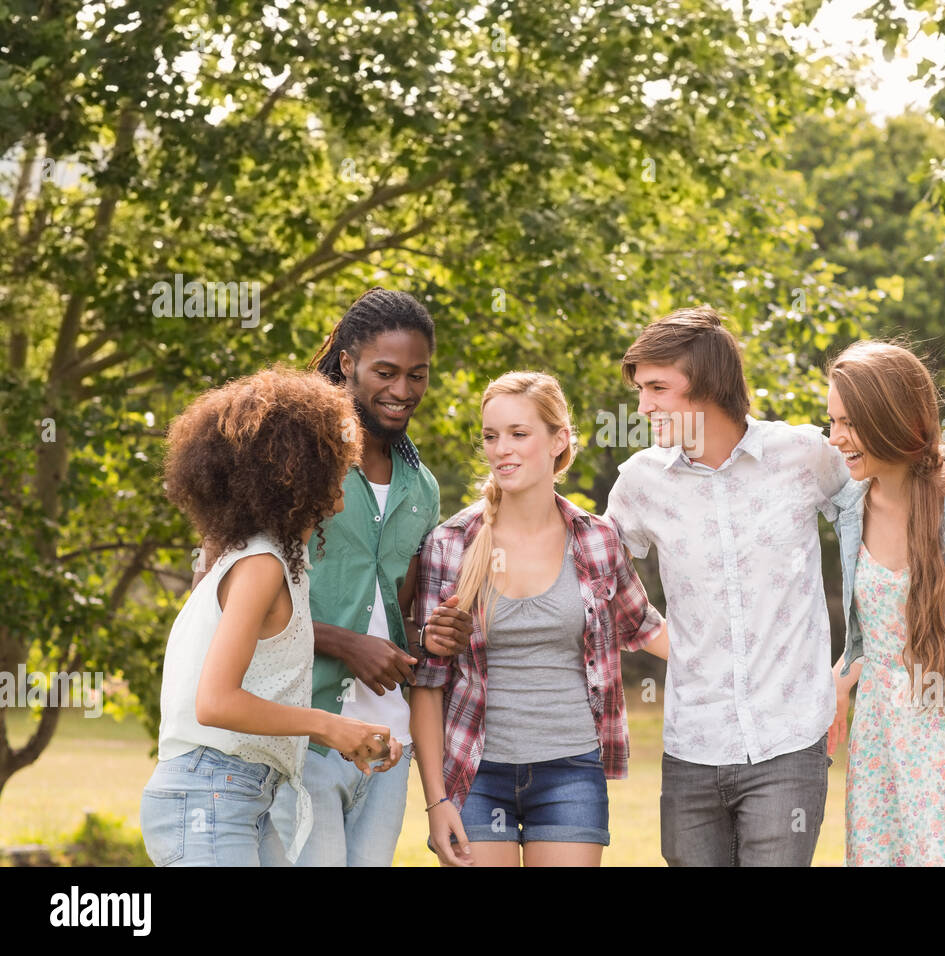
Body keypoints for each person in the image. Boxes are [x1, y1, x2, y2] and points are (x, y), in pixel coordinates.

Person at [604, 306, 852, 867]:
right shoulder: (641, 482)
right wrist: (669, 644)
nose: (642, 407)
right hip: (691, 744)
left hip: (789, 739)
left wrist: (847, 668)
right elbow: (596, 575)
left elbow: (881, 542)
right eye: (640, 390)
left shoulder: (804, 455)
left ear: (709, 381)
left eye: (657, 388)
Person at [411, 371, 668, 867]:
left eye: (518, 433)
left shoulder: (596, 540)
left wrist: (739, 666)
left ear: (558, 440)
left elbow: (646, 628)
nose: (501, 449)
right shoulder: (451, 545)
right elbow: (428, 682)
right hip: (474, 772)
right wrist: (436, 800)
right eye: (491, 436)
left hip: (570, 769)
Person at [141, 367, 394, 867]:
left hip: (239, 795)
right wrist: (329, 727)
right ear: (298, 472)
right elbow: (216, 702)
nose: (348, 471)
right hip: (211, 795)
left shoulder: (268, 560)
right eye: (337, 461)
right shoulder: (261, 565)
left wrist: (352, 735)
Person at [261, 287, 471, 867]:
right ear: (348, 362)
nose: (403, 390)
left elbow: (398, 616)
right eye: (385, 372)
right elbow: (239, 601)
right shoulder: (298, 460)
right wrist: (345, 644)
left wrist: (433, 636)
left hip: (388, 743)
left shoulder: (421, 486)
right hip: (306, 733)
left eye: (417, 375)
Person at [823, 341, 945, 866]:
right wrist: (842, 677)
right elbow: (886, 634)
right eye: (832, 421)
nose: (835, 438)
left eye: (848, 423)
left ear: (890, 419)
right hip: (879, 742)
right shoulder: (850, 508)